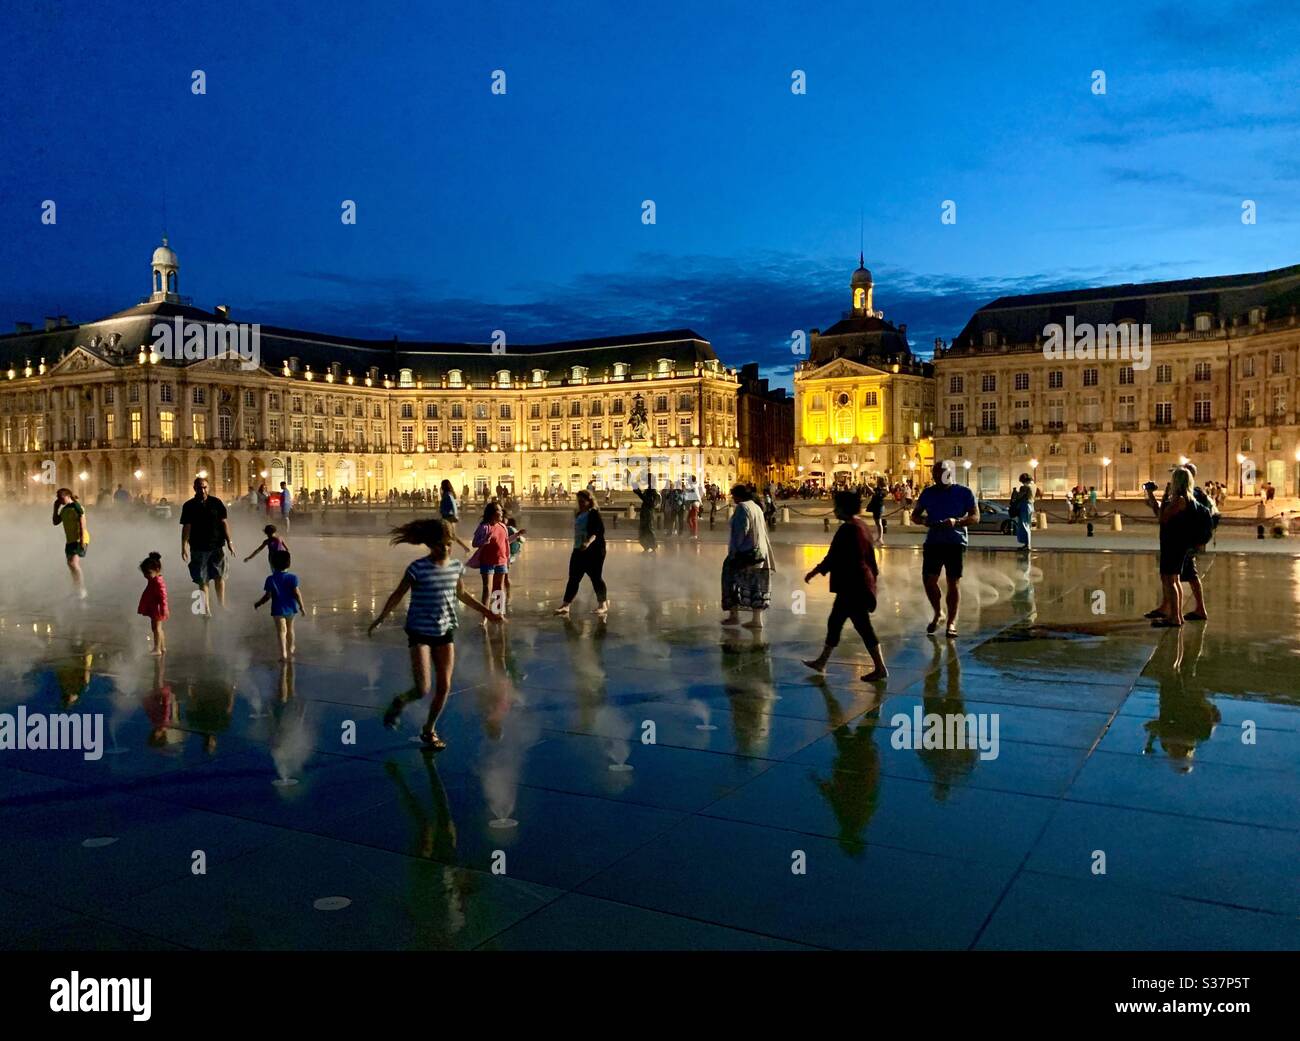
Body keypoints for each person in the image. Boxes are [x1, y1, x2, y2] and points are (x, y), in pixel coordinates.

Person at [370, 518, 502, 750]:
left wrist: (488, 613)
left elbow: (462, 595)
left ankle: (429, 729)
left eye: (448, 544)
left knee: (444, 687)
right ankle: (400, 702)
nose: (446, 549)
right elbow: (397, 594)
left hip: (445, 631)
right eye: (441, 545)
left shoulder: (455, 567)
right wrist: (381, 618)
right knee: (423, 689)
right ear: (431, 545)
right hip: (419, 632)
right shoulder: (417, 568)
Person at [801, 491, 888, 682]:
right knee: (837, 622)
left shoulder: (849, 529)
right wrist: (873, 580)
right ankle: (822, 661)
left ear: (844, 508)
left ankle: (880, 668)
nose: (834, 510)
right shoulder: (862, 526)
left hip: (853, 586)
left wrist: (814, 572)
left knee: (860, 626)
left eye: (837, 506)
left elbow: (833, 557)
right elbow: (870, 557)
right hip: (858, 584)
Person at [911, 461, 979, 639]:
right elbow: (915, 515)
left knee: (953, 582)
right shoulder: (928, 493)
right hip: (934, 541)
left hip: (955, 541)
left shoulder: (964, 492)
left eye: (940, 472)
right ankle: (938, 612)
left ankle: (951, 623)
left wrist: (956, 522)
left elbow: (975, 516)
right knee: (929, 581)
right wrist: (924, 521)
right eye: (934, 473)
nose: (936, 476)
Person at [1149, 467, 1197, 628]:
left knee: (1170, 579)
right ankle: (1176, 615)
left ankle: (1175, 617)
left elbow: (1162, 518)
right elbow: (1160, 514)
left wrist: (1164, 495)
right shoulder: (1180, 499)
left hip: (1174, 544)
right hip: (1174, 543)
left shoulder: (1180, 500)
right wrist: (1151, 495)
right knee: (1172, 579)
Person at [180, 476, 235, 615]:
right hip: (198, 547)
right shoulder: (189, 505)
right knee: (202, 579)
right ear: (194, 488)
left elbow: (224, 523)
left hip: (217, 545)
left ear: (208, 487)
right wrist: (183, 546)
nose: (202, 490)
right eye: (199, 488)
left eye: (205, 487)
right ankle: (206, 609)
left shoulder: (216, 503)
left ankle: (221, 605)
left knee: (219, 576)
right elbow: (187, 527)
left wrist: (230, 542)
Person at [721, 484, 774, 630]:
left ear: (738, 496)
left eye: (733, 495)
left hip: (747, 551)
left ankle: (734, 615)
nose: (732, 498)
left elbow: (740, 531)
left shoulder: (742, 507)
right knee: (757, 584)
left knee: (729, 577)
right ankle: (757, 620)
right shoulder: (756, 507)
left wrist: (733, 553)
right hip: (760, 551)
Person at [555, 489, 609, 616]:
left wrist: (588, 542)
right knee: (574, 578)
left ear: (589, 501)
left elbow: (598, 531)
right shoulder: (578, 513)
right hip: (578, 548)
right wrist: (580, 544)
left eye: (582, 501)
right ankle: (566, 605)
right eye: (578, 501)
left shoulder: (593, 513)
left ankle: (603, 604)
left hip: (594, 550)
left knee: (596, 578)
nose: (580, 503)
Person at [254, 549, 304, 659]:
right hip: (291, 608)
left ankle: (283, 654)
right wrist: (301, 606)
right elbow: (297, 593)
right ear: (289, 563)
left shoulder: (270, 579)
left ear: (272, 564)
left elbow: (268, 596)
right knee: (290, 629)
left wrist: (259, 603)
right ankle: (291, 647)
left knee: (281, 631)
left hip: (277, 609)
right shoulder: (293, 578)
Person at [467, 501, 511, 615]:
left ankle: (499, 613)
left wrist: (507, 559)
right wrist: (484, 541)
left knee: (499, 588)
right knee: (487, 588)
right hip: (487, 562)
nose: (501, 512)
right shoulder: (484, 527)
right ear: (492, 513)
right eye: (499, 510)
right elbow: (475, 543)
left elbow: (505, 543)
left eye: (501, 510)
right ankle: (485, 616)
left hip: (501, 561)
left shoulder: (503, 527)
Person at [52, 487, 89, 599]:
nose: (59, 500)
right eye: (58, 498)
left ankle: (82, 589)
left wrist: (82, 539)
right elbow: (55, 522)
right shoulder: (64, 509)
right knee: (70, 564)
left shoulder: (76, 506)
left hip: (79, 538)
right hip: (70, 540)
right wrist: (55, 508)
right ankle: (77, 589)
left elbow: (82, 522)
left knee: (73, 563)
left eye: (60, 497)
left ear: (67, 496)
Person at [137, 551, 169, 656]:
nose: (146, 576)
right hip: (155, 607)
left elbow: (163, 597)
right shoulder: (154, 579)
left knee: (156, 629)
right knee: (157, 628)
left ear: (157, 570)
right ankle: (162, 647)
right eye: (145, 574)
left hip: (157, 609)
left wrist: (164, 609)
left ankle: (157, 649)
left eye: (148, 573)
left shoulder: (158, 582)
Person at [439, 478, 473, 551]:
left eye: (441, 485)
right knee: (450, 536)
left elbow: (453, 505)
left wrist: (454, 515)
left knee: (449, 536)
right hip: (447, 518)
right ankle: (465, 548)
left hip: (448, 518)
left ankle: (446, 555)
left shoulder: (448, 495)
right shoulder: (447, 494)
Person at [632, 473, 659, 553]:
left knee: (648, 529)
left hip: (648, 513)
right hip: (645, 512)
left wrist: (639, 493)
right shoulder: (649, 490)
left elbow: (650, 503)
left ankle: (653, 546)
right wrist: (638, 492)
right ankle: (646, 546)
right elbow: (644, 498)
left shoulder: (653, 491)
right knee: (643, 530)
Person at [1009, 472, 1035, 551]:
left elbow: (1019, 496)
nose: (1021, 483)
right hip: (1031, 505)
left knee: (1024, 525)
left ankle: (1027, 544)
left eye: (1021, 481)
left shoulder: (1024, 487)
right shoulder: (1034, 486)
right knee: (1028, 524)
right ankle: (1027, 544)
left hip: (1025, 506)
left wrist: (1015, 493)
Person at [868, 478, 886, 544]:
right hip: (875, 506)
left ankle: (880, 538)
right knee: (877, 522)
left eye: (877, 481)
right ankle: (879, 537)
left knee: (879, 522)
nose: (876, 481)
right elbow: (872, 491)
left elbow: (875, 493)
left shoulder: (883, 489)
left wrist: (867, 486)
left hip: (879, 506)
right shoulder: (878, 488)